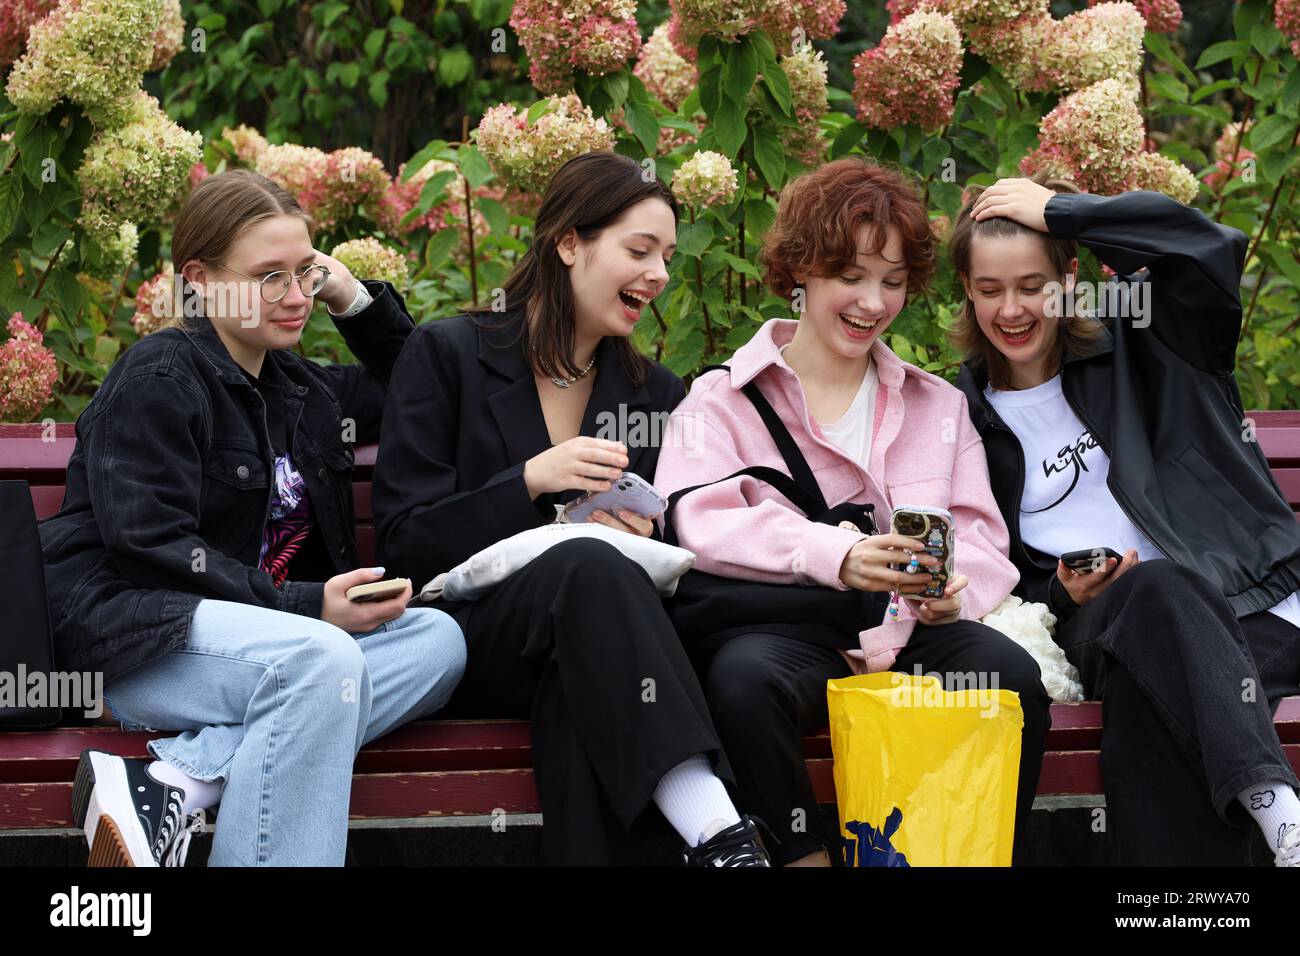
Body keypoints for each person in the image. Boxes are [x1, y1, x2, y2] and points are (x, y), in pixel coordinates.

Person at [41, 169, 466, 867]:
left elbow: (424, 386)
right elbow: (148, 547)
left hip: (270, 651)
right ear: (200, 280)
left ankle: (180, 775)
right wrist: (308, 607)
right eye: (270, 277)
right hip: (138, 641)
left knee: (437, 640)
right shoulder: (160, 376)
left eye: (305, 273)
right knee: (319, 663)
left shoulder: (305, 388)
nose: (297, 296)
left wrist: (354, 297)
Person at [371, 151, 767, 866]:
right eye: (639, 250)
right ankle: (719, 830)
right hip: (467, 641)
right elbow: (405, 546)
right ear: (568, 243)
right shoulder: (449, 354)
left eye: (668, 257)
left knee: (580, 666)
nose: (660, 275)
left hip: (595, 646)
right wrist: (526, 481)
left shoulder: (655, 394)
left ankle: (721, 843)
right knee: (586, 568)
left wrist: (645, 528)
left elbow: (675, 551)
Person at [654, 157, 1052, 866]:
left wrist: (955, 592)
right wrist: (830, 553)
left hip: (917, 637)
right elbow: (695, 519)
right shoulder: (722, 400)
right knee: (744, 684)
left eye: (893, 282)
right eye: (851, 277)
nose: (873, 302)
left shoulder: (939, 404)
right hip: (793, 635)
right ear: (800, 270)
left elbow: (986, 536)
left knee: (1010, 677)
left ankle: (972, 857)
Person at [950, 173, 1300, 866]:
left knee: (1151, 699)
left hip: (1247, 609)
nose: (1012, 309)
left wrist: (1062, 211)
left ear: (1070, 272)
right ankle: (1273, 803)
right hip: (1099, 629)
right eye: (990, 289)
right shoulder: (963, 414)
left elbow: (1205, 249)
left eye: (1032, 285)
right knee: (1154, 601)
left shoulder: (1152, 340)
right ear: (965, 289)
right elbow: (992, 567)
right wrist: (1059, 591)